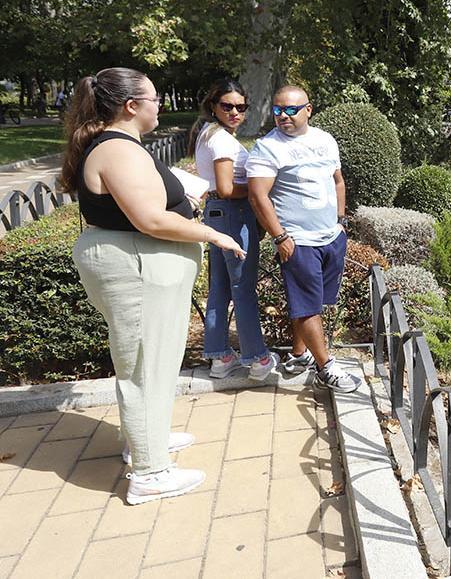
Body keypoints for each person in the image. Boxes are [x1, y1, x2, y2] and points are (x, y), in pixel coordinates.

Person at [62, 67, 246, 505]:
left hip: (142, 264)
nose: (160, 105)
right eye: (154, 98)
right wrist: (212, 234)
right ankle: (149, 471)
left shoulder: (121, 146)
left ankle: (146, 439)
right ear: (131, 106)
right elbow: (148, 219)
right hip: (136, 265)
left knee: (151, 359)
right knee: (146, 362)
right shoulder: (117, 150)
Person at [246, 85, 361, 393]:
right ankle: (327, 368)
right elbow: (258, 196)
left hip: (331, 236)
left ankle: (299, 355)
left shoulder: (325, 140)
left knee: (312, 302)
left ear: (308, 110)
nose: (283, 116)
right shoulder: (268, 148)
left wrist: (341, 221)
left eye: (290, 110)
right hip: (298, 241)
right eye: (277, 110)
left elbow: (337, 180)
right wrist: (280, 236)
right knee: (308, 306)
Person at [190, 79, 275, 380]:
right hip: (231, 214)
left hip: (218, 214)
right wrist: (258, 190)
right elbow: (226, 188)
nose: (235, 112)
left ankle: (219, 356)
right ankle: (257, 358)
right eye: (227, 106)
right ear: (214, 106)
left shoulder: (208, 134)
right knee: (243, 287)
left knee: (222, 287)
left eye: (241, 107)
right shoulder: (222, 140)